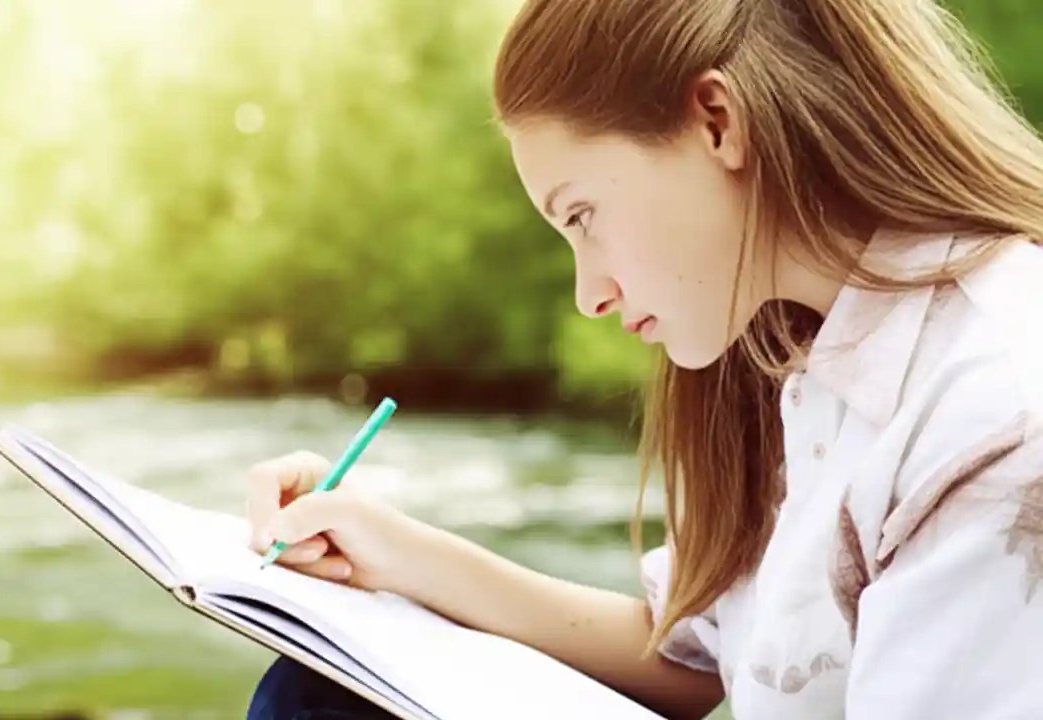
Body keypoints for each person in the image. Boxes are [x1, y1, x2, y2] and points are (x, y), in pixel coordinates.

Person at [244, 0, 1043, 717]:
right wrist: (394, 555)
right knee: (318, 690)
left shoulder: (997, 406)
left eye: (582, 216)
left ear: (718, 123)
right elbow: (692, 657)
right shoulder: (794, 352)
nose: (589, 295)